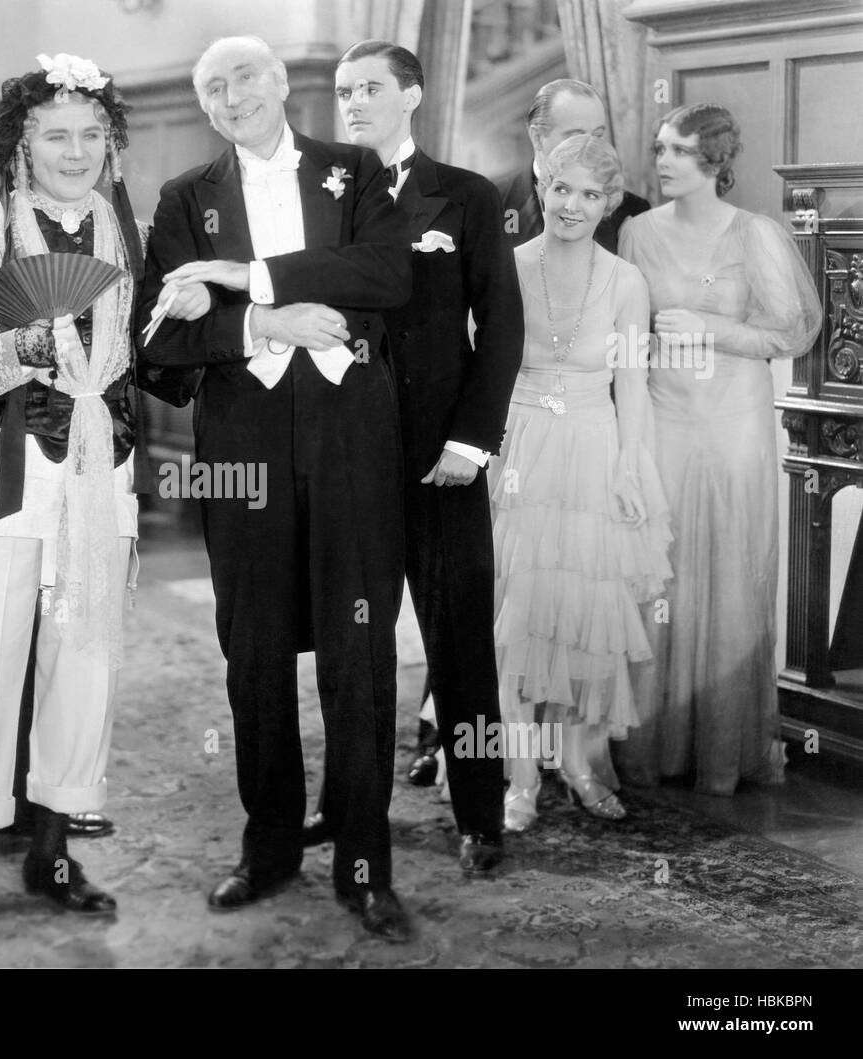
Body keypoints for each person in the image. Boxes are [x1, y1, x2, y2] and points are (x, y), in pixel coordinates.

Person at [0, 53, 195, 948]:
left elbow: (154, 357)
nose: (75, 152)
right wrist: (15, 350)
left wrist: (201, 322)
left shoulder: (129, 235)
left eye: (90, 135)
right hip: (3, 472)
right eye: (55, 136)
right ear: (21, 146)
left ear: (111, 143)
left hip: (100, 474)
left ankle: (54, 850)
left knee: (84, 662)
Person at [139, 36, 414, 942]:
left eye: (246, 77)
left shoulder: (355, 170)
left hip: (353, 442)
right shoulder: (185, 199)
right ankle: (268, 848)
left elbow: (388, 274)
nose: (232, 96)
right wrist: (265, 320)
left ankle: (364, 862)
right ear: (204, 105)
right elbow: (159, 343)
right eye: (213, 86)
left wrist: (242, 277)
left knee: (359, 654)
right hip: (241, 451)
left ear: (283, 82)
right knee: (253, 651)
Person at [301, 40, 522, 872]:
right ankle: (347, 806)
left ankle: (481, 816)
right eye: (344, 90)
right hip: (348, 458)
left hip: (442, 460)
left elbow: (501, 325)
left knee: (460, 643)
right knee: (350, 647)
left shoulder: (465, 196)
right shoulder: (321, 199)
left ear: (413, 95)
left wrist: (470, 441)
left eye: (370, 88)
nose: (353, 102)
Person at [615, 104, 822, 796]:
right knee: (661, 576)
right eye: (660, 148)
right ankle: (656, 746)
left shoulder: (755, 234)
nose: (662, 162)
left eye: (677, 151)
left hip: (734, 422)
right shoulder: (638, 232)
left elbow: (790, 332)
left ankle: (724, 753)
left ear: (714, 161)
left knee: (732, 578)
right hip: (663, 417)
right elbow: (626, 333)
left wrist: (711, 329)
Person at [492, 134, 672, 830]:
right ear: (541, 187)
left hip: (596, 450)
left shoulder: (626, 281)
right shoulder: (505, 266)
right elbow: (483, 372)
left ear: (610, 203)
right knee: (516, 622)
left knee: (582, 626)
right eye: (561, 188)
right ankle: (518, 779)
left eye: (590, 194)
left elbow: (633, 382)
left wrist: (630, 466)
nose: (572, 205)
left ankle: (577, 765)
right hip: (518, 449)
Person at [496, 79, 649, 254]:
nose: (589, 148)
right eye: (575, 136)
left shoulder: (631, 211)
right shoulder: (491, 201)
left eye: (598, 135)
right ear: (537, 137)